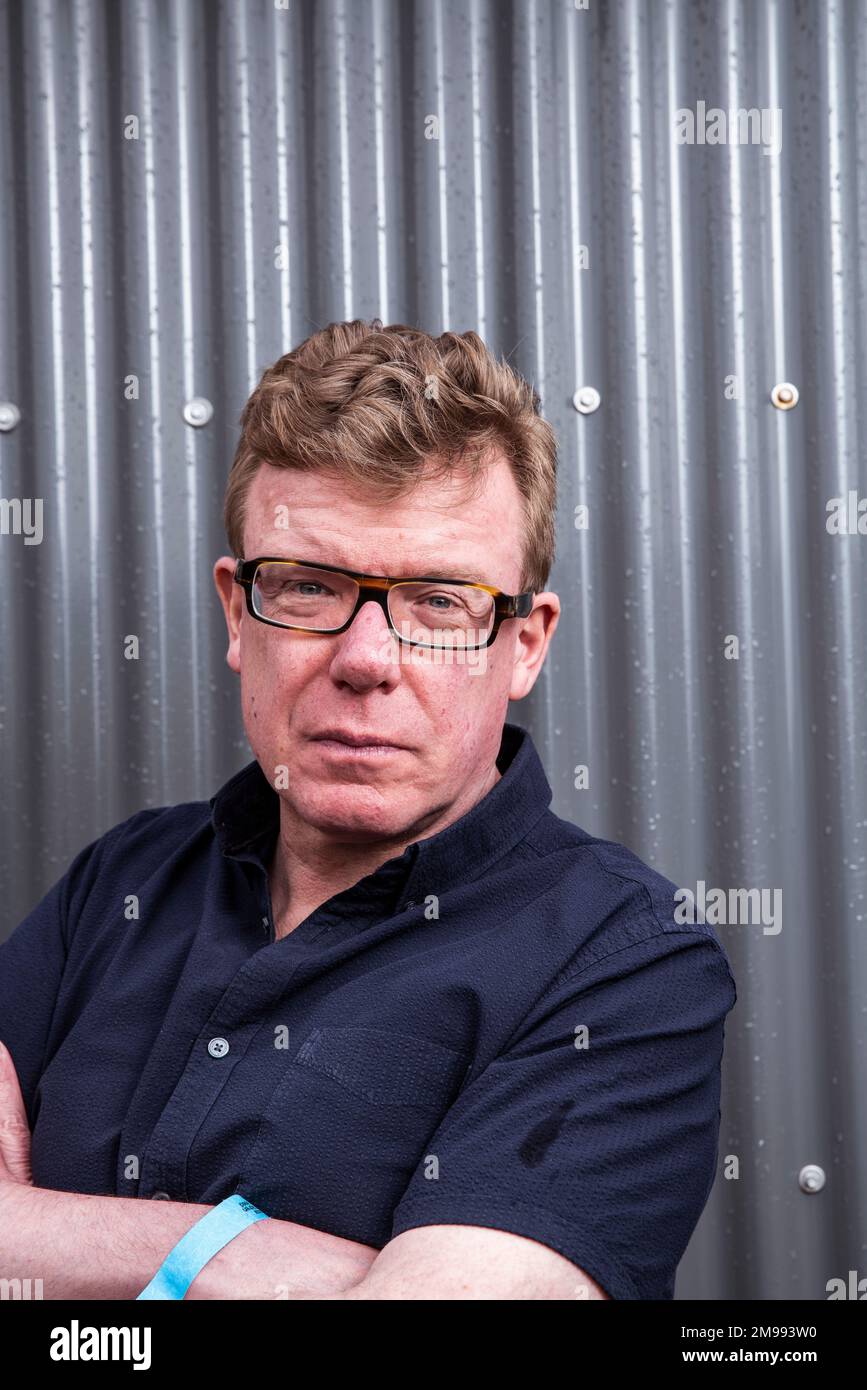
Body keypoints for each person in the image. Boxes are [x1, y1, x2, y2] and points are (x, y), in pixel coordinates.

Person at [0, 318, 736, 1299]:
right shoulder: (122, 880)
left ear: (523, 642)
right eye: (308, 586)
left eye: (438, 601)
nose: (364, 659)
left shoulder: (629, 964)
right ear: (235, 611)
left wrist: (44, 1238)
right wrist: (233, 1257)